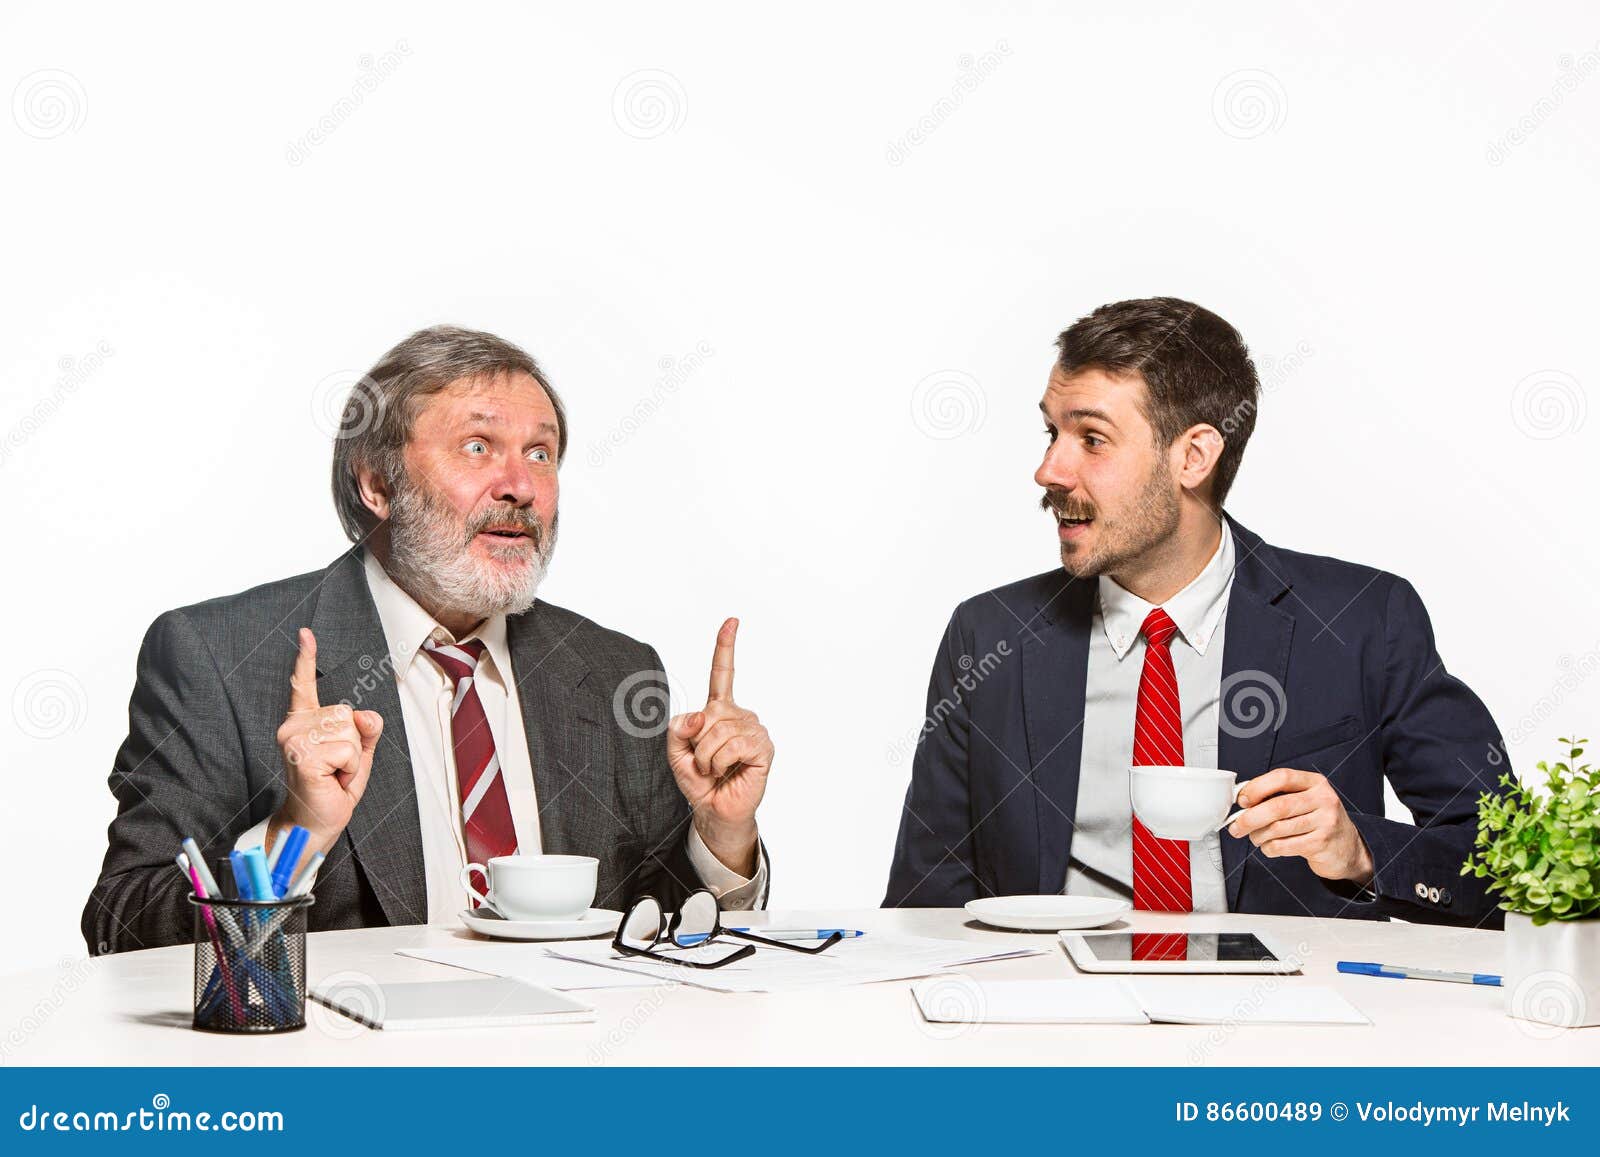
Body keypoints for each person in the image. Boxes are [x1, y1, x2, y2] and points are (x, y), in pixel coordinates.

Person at [84, 325, 772, 952]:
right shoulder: (218, 657)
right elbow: (120, 927)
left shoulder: (617, 670)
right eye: (479, 446)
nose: (521, 486)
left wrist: (722, 836)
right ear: (377, 482)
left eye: (541, 453)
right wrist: (294, 834)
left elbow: (669, 941)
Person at [885, 297, 1506, 926]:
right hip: (1054, 1006)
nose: (1049, 470)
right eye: (1053, 432)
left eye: (1091, 439)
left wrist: (1363, 851)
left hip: (1286, 1012)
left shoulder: (1365, 619)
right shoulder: (990, 635)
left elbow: (1506, 868)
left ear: (1194, 457)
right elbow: (924, 909)